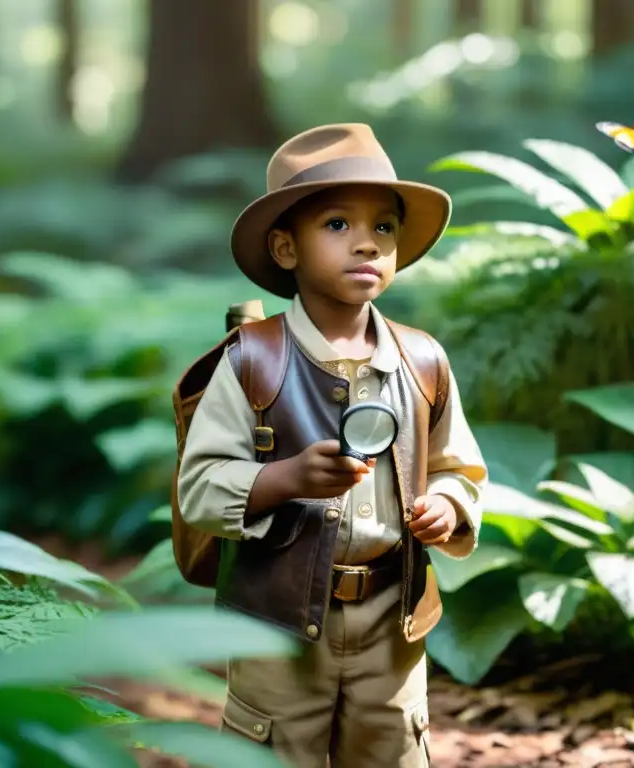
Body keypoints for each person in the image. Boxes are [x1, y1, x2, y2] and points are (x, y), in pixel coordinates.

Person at [176, 123, 488, 768]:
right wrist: (283, 479)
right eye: (338, 225)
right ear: (286, 249)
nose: (367, 244)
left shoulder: (422, 360)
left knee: (392, 749)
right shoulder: (252, 362)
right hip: (277, 626)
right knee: (275, 750)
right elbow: (199, 489)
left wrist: (450, 507)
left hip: (390, 620)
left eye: (384, 228)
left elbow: (458, 467)